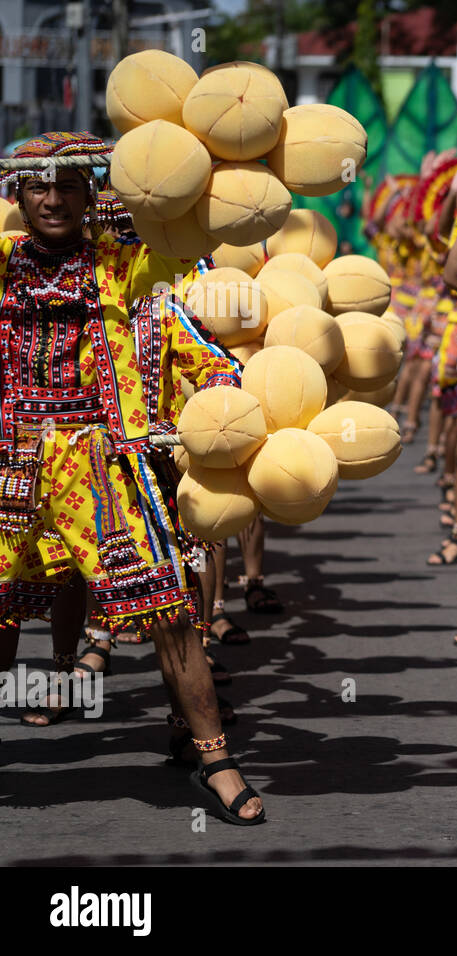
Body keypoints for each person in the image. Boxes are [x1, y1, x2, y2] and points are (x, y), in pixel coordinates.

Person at [0, 132, 264, 824]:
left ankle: (215, 759)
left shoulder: (126, 267)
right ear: (17, 196)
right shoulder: (1, 266)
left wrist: (218, 412)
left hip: (99, 462)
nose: (52, 197)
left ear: (91, 196)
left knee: (169, 612)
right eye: (37, 185)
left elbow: (190, 315)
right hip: (12, 457)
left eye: (67, 184)